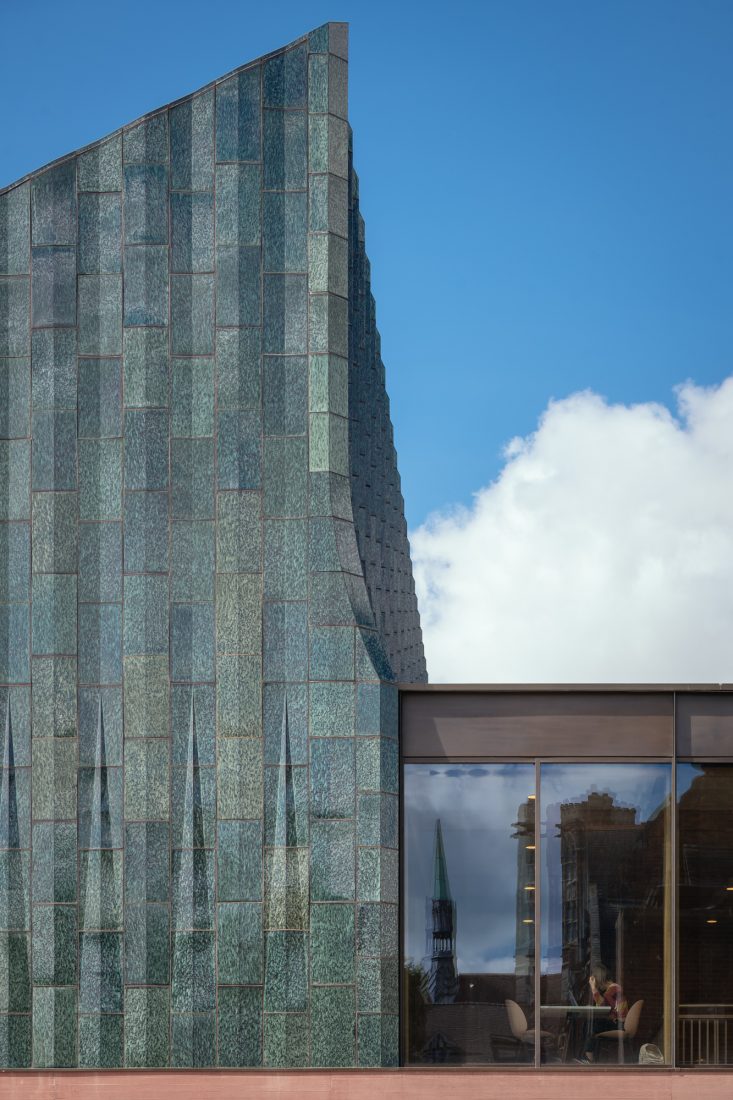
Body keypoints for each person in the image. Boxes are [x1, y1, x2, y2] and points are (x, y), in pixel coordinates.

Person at [575, 965, 629, 1064]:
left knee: (591, 1023)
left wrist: (593, 988)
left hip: (618, 1024)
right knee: (590, 1023)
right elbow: (606, 1008)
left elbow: (603, 1007)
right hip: (617, 1023)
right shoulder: (612, 990)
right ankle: (587, 1054)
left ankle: (588, 1056)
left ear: (598, 980)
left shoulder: (613, 989)